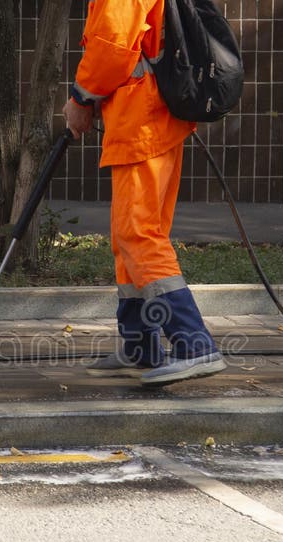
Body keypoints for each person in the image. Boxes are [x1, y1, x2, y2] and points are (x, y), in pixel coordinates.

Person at [62, 0, 226, 387]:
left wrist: (80, 98)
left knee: (139, 234)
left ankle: (195, 346)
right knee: (128, 235)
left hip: (142, 119)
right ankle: (141, 345)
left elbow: (113, 47)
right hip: (151, 117)